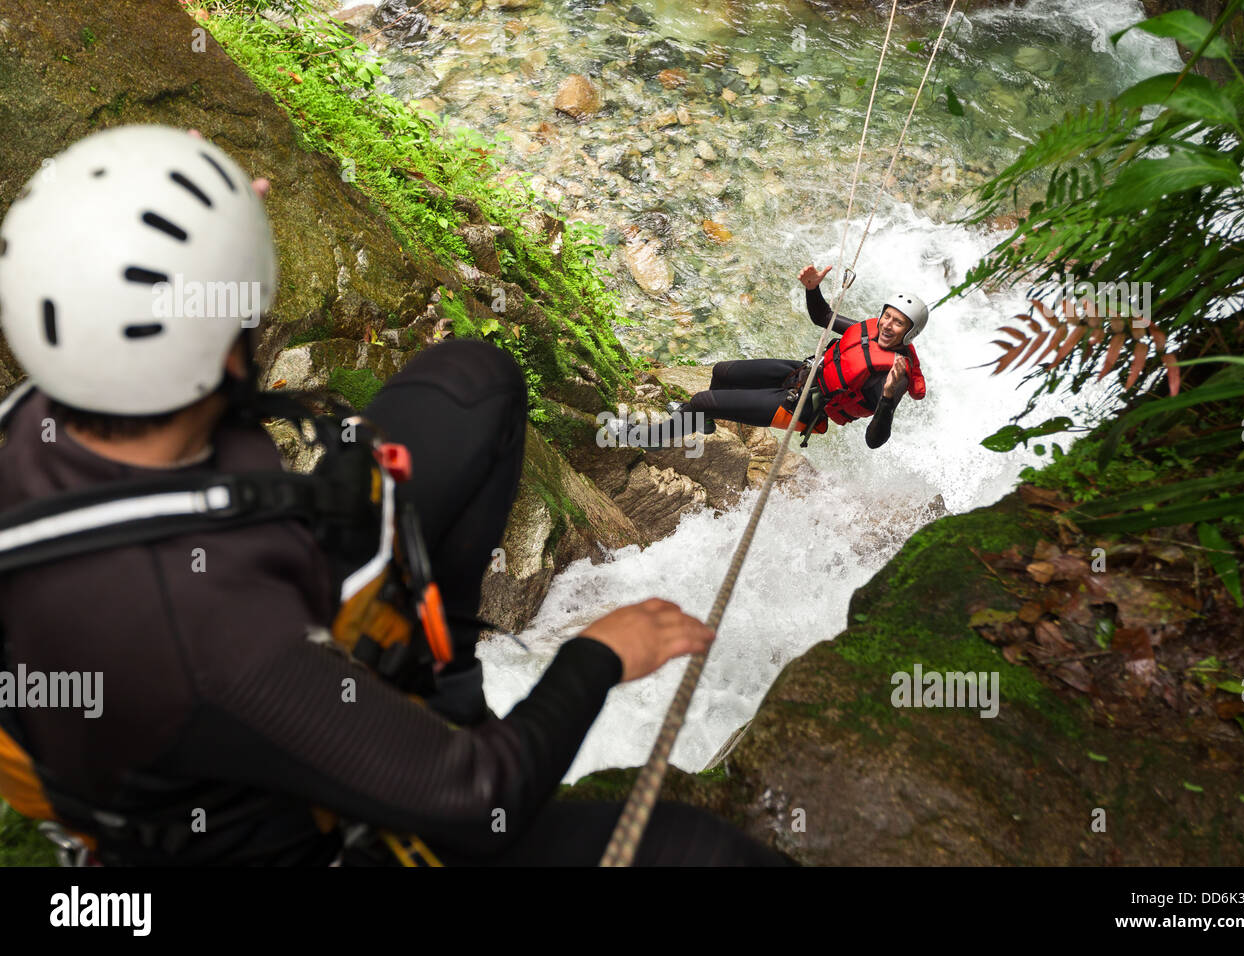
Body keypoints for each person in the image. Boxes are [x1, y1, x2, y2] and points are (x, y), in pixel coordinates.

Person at [0, 124, 789, 866]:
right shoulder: (217, 640)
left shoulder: (46, 409)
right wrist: (597, 654)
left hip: (242, 602)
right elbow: (485, 798)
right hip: (290, 821)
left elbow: (118, 304)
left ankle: (433, 677)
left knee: (474, 385)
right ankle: (424, 737)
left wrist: (196, 240)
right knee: (701, 854)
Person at [617, 264, 929, 451]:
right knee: (722, 372)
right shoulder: (871, 331)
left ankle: (650, 438)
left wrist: (888, 398)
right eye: (886, 316)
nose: (887, 325)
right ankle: (704, 421)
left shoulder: (895, 375)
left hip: (803, 408)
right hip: (801, 375)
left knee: (701, 400)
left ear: (910, 332)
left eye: (898, 322)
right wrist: (812, 289)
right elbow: (823, 316)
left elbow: (874, 440)